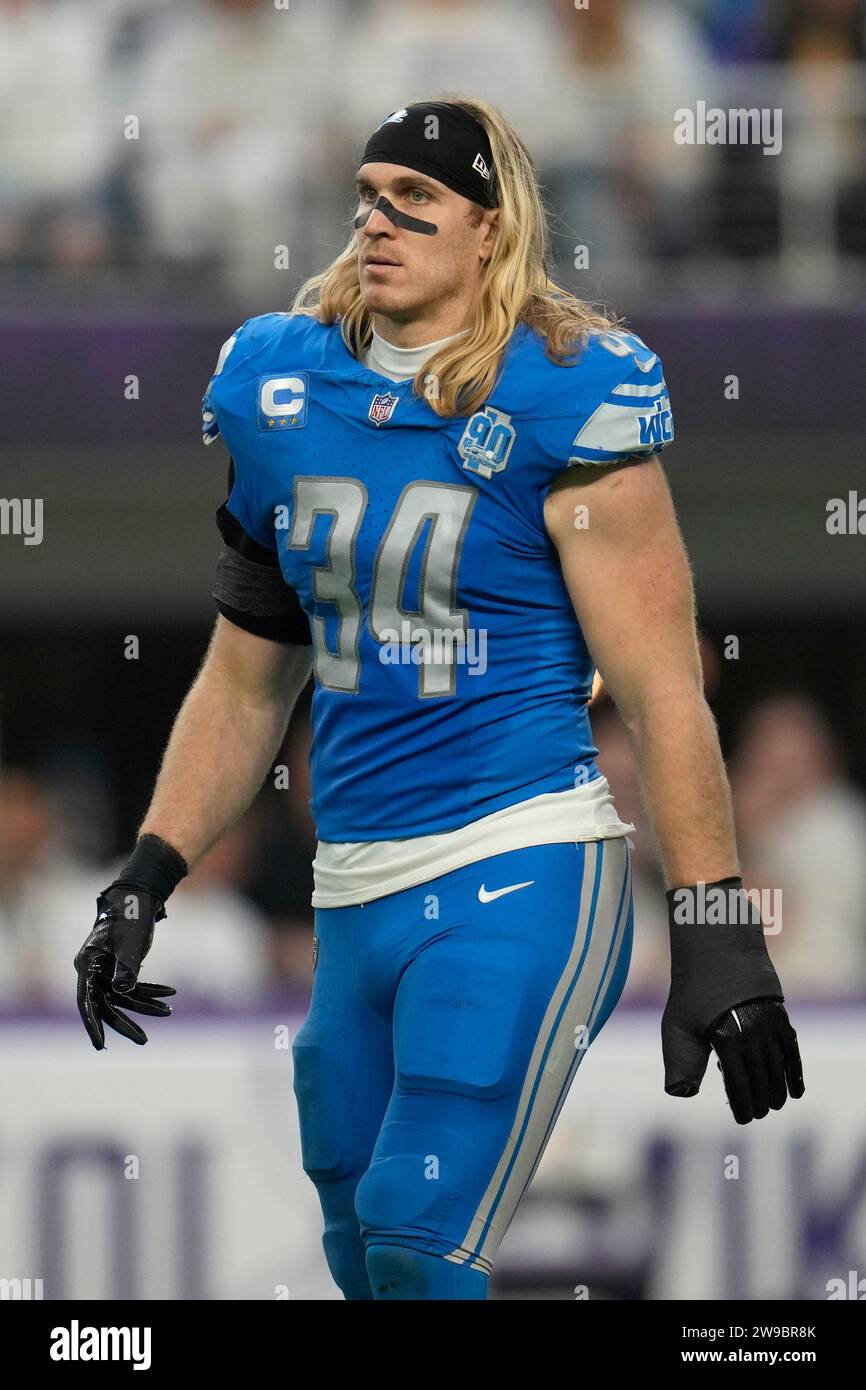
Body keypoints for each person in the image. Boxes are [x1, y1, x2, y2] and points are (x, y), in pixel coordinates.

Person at [74, 98, 803, 1301]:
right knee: (364, 1259)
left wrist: (714, 919)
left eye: (414, 200)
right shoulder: (276, 386)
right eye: (366, 194)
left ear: (488, 230)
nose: (377, 219)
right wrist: (149, 869)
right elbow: (250, 670)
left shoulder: (565, 390)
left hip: (521, 857)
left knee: (419, 1234)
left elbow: (662, 691)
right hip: (353, 885)